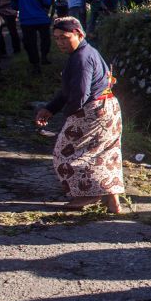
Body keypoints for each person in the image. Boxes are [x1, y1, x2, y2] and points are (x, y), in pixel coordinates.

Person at [34, 17, 124, 214]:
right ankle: (113, 202)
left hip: (93, 111)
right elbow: (68, 90)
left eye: (65, 38)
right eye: (57, 38)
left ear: (79, 34)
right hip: (108, 108)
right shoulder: (86, 52)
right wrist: (50, 108)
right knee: (105, 154)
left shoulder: (82, 58)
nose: (60, 42)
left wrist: (69, 117)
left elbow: (80, 94)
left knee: (65, 153)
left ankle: (87, 194)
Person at [16, 0, 53, 75]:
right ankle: (44, 57)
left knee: (30, 43)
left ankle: (35, 64)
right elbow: (47, 3)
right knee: (45, 39)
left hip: (26, 21)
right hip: (42, 19)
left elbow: (14, 5)